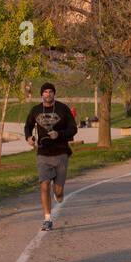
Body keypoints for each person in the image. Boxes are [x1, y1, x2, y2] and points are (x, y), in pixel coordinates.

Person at [24, 82, 78, 231]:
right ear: (41, 94)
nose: (48, 94)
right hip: (43, 152)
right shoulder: (35, 110)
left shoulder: (62, 109)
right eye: (45, 92)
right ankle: (47, 219)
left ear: (54, 93)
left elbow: (73, 129)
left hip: (61, 153)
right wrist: (29, 137)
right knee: (44, 185)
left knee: (58, 192)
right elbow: (27, 126)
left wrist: (59, 134)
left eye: (50, 92)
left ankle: (58, 194)